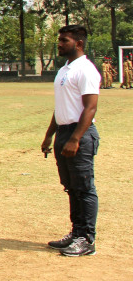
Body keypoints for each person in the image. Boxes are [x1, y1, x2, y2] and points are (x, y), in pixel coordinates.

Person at [40, 25, 101, 257]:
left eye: (64, 40)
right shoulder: (65, 69)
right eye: (59, 40)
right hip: (64, 132)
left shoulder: (86, 69)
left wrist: (75, 138)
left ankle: (87, 239)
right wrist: (49, 134)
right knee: (72, 187)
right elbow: (61, 108)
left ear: (78, 43)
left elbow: (90, 107)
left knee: (84, 188)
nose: (59, 44)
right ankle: (76, 234)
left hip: (80, 134)